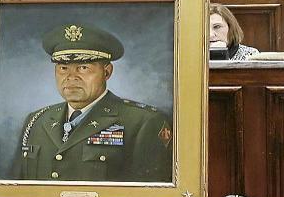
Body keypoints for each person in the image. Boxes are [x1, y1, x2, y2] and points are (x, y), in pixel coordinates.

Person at [17, 23, 171, 182]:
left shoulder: (143, 122)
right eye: (63, 68)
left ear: (107, 72)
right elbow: (15, 190)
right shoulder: (36, 120)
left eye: (83, 67)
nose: (71, 77)